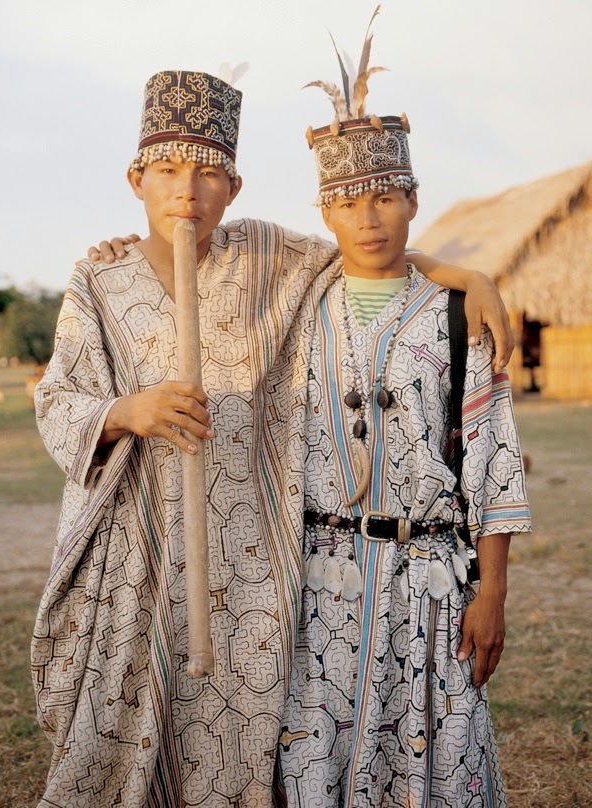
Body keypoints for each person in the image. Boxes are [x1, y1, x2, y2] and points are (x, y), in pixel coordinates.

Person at [34, 68, 515, 808]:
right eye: (166, 172)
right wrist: (129, 409)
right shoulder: (96, 283)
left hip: (246, 562)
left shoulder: (266, 258)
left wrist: (466, 276)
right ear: (136, 180)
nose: (185, 193)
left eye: (206, 174)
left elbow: (365, 250)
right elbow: (61, 399)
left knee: (233, 742)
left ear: (235, 187)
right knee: (115, 733)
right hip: (133, 552)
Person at [274, 31, 531, 808]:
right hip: (321, 587)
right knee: (317, 767)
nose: (369, 218)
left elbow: (494, 462)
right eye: (348, 201)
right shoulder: (293, 309)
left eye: (386, 196)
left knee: (433, 769)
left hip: (429, 584)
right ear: (325, 210)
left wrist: (492, 595)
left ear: (413, 199)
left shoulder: (457, 317)